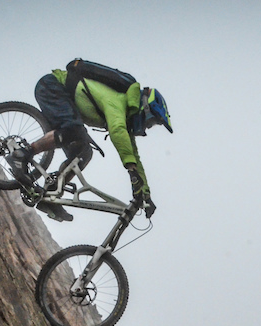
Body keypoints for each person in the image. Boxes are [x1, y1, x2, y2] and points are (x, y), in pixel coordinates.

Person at [9, 59, 172, 222]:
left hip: (64, 101)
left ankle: (51, 193)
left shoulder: (125, 116)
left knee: (84, 153)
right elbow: (117, 131)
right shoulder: (118, 101)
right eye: (151, 122)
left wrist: (146, 195)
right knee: (74, 130)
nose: (148, 127)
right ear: (146, 109)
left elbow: (135, 158)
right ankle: (22, 154)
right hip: (52, 87)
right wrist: (131, 169)